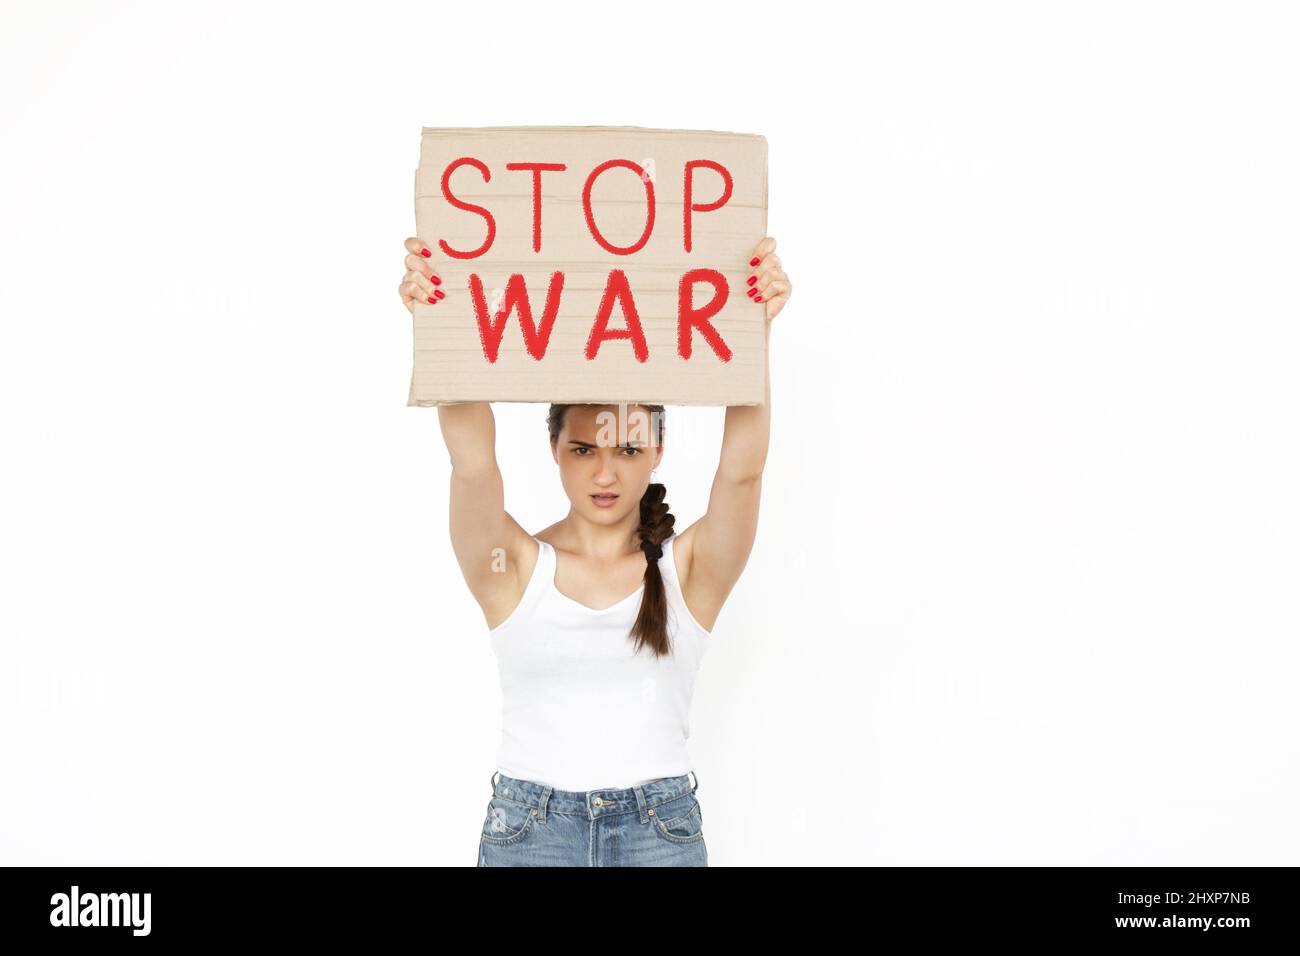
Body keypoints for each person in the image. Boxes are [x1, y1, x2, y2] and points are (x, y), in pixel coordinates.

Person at [397, 236, 792, 866]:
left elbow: (742, 473)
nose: (604, 474)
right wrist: (441, 317)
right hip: (531, 834)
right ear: (554, 447)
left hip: (657, 834)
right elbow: (472, 464)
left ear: (657, 451)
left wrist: (754, 330)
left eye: (628, 450)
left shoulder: (689, 570)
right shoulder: (512, 568)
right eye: (584, 449)